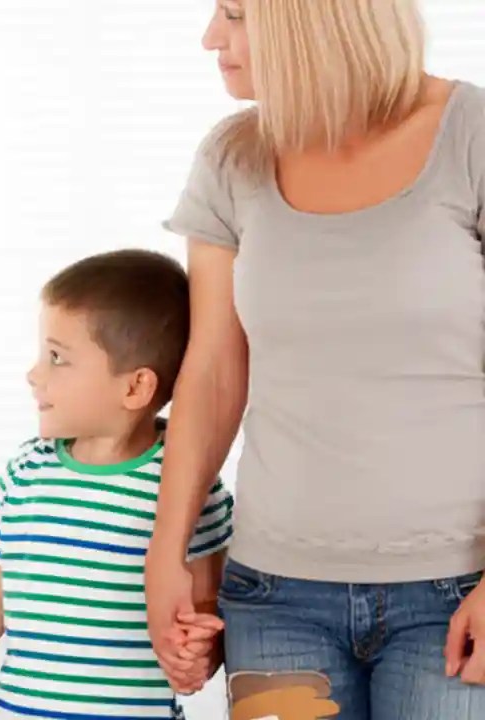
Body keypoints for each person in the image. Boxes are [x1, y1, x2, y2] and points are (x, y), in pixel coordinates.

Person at [146, 1, 485, 718]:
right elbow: (213, 371)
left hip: (456, 595)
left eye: (235, 14)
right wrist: (166, 551)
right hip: (274, 597)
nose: (210, 37)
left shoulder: (473, 136)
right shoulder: (231, 155)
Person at [0, 250, 233, 719]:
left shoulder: (187, 485)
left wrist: (198, 653)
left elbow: (205, 609)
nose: (34, 374)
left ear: (135, 387)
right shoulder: (27, 472)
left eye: (57, 358)